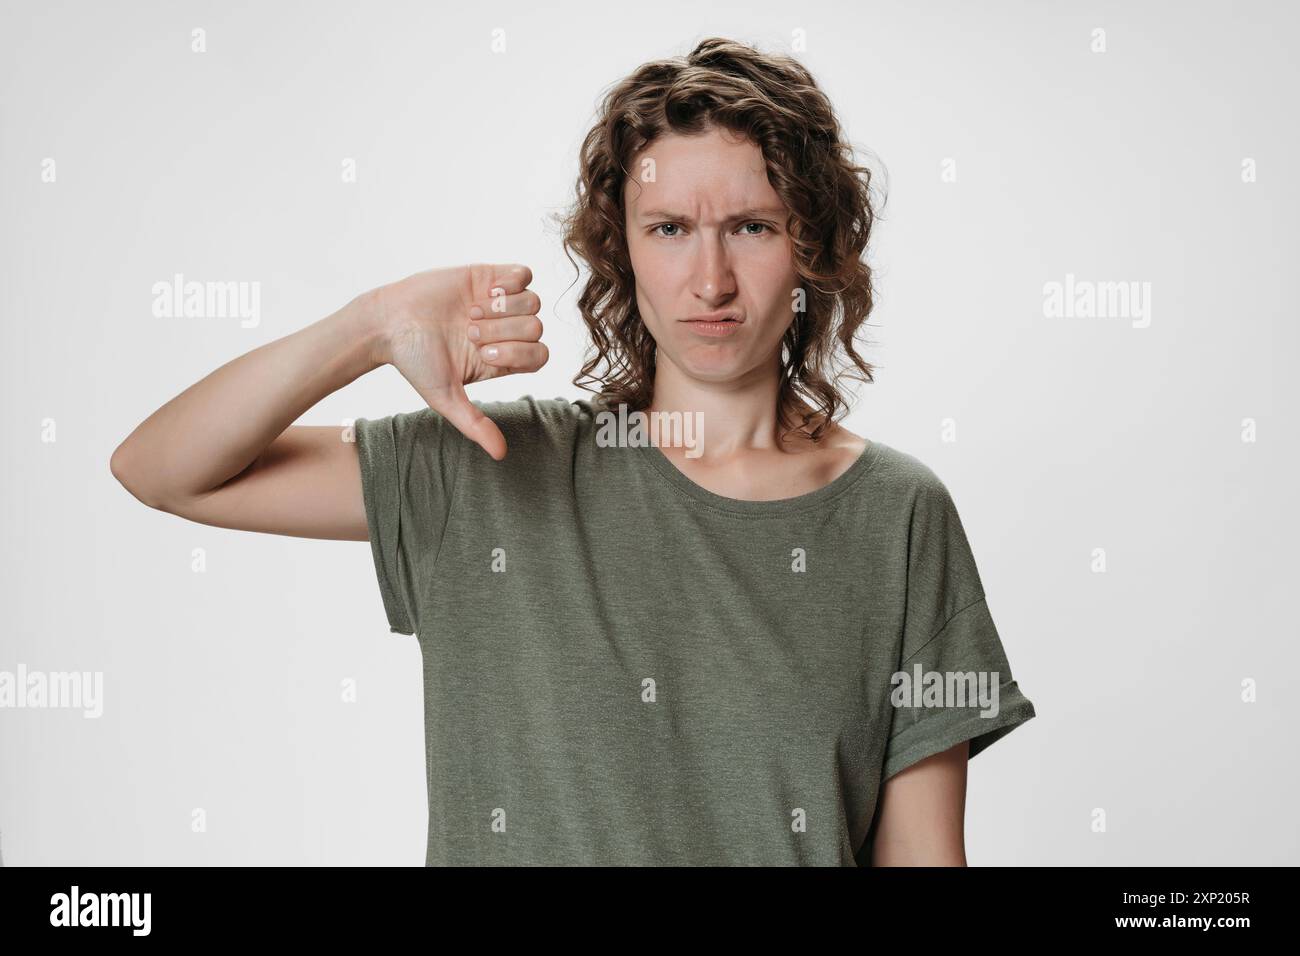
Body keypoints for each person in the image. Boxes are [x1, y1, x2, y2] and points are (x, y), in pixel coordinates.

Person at [110, 37, 1035, 866]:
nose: (710, 279)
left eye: (751, 226)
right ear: (622, 252)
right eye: (669, 229)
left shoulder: (898, 515)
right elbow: (160, 469)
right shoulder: (491, 464)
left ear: (810, 247)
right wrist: (370, 328)